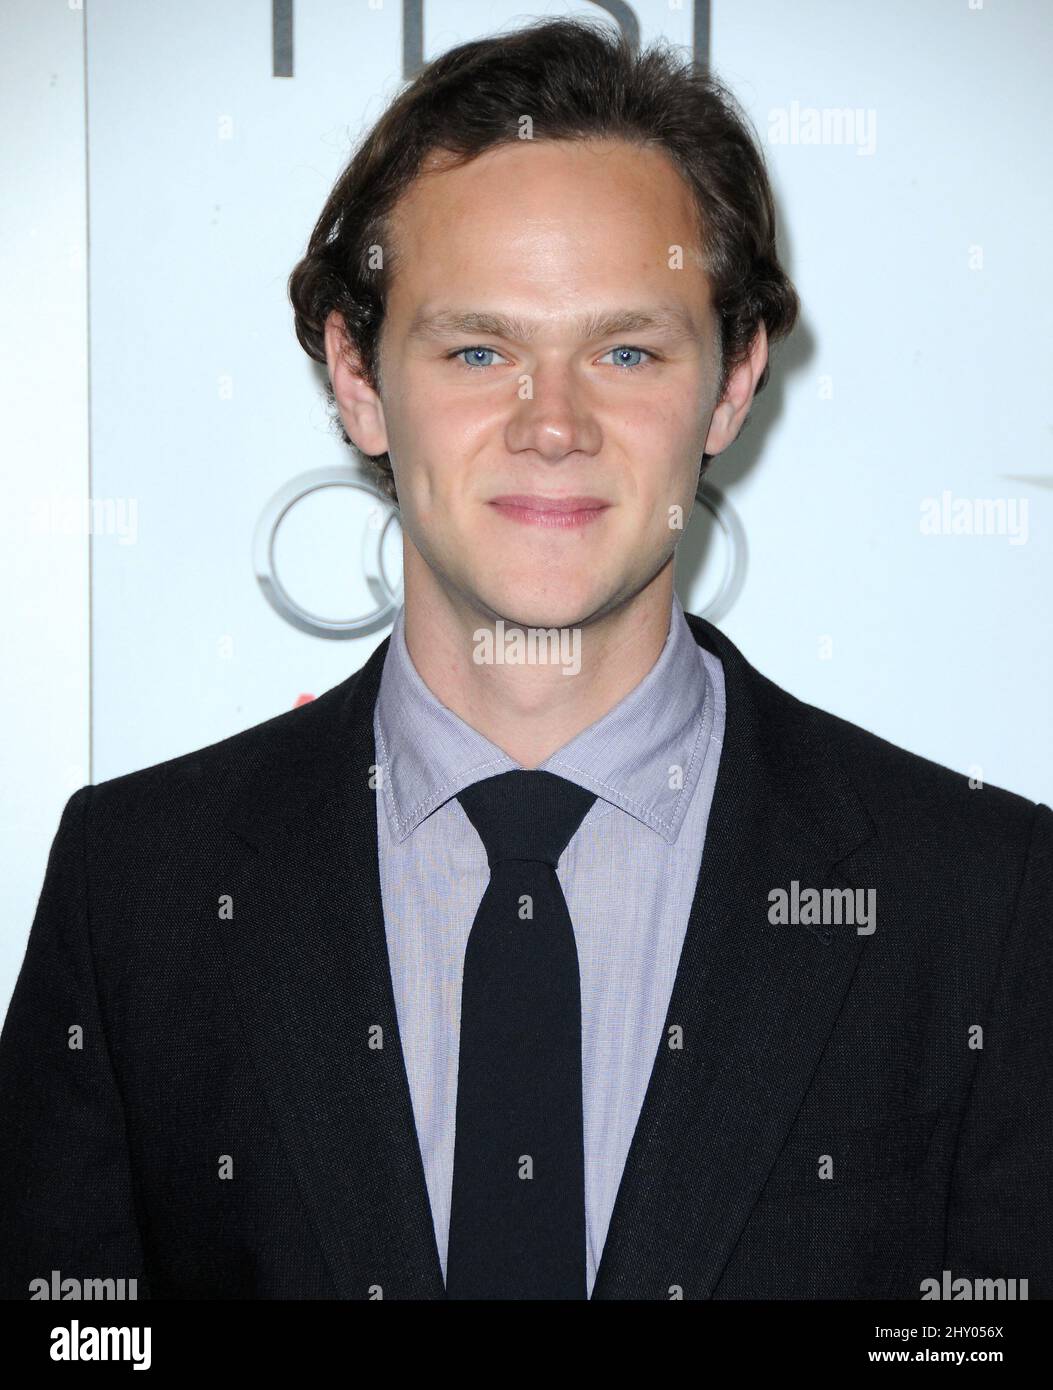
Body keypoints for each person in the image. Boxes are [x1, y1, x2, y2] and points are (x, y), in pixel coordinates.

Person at [1, 16, 1050, 1301]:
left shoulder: (988, 904)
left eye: (625, 351)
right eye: (479, 350)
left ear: (732, 382)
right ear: (358, 376)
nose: (552, 425)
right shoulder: (137, 893)